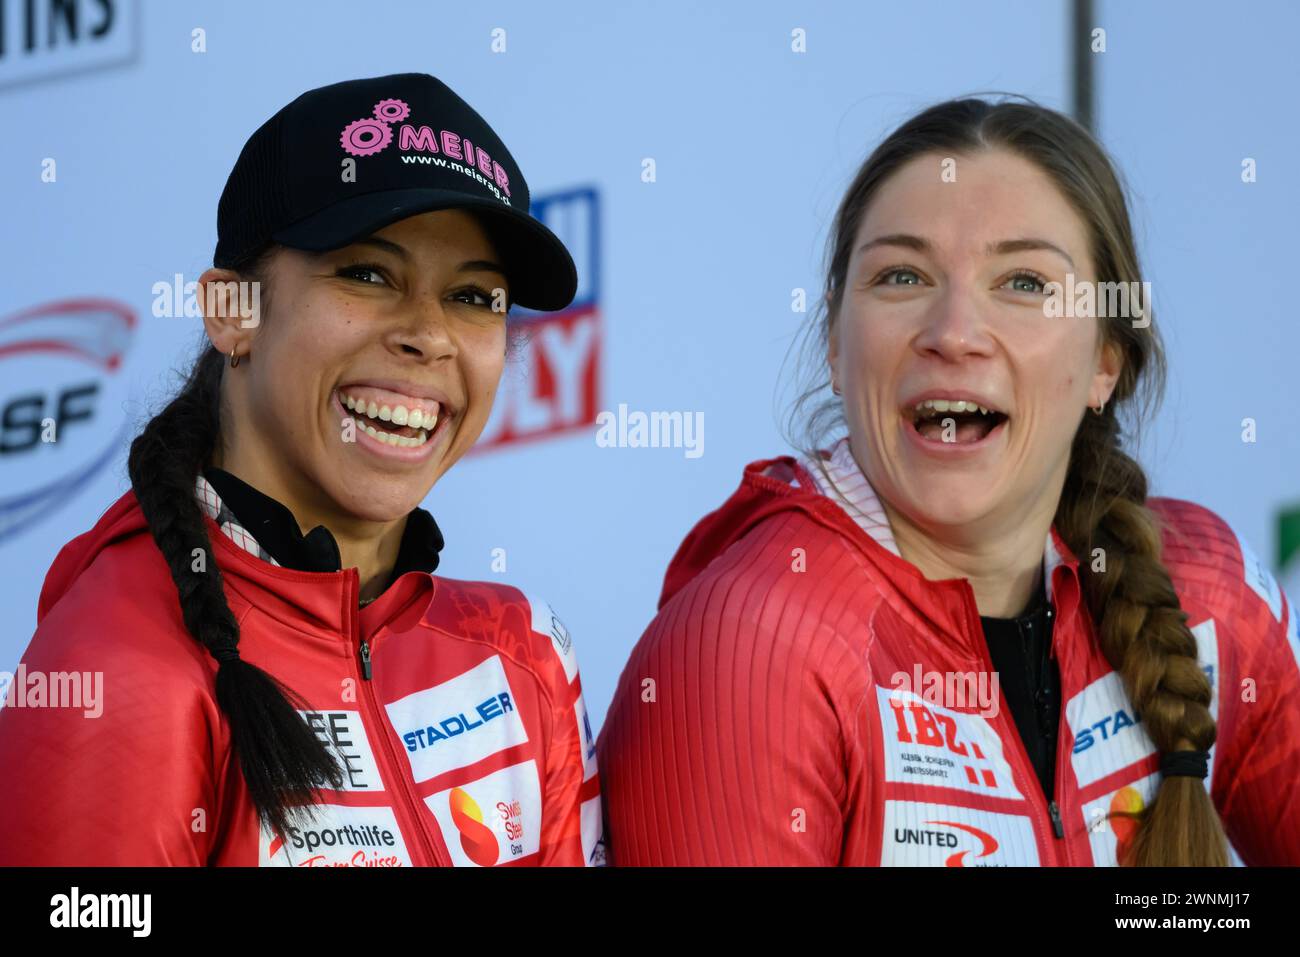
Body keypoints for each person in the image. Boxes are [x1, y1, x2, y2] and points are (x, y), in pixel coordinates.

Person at [597, 96, 1300, 866]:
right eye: (902, 275)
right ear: (834, 342)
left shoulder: (1205, 590)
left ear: (1106, 360)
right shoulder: (750, 650)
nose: (954, 332)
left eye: (1025, 283)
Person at [0, 73, 604, 867]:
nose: (430, 334)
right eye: (367, 274)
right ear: (232, 313)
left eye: (473, 296)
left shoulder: (522, 653)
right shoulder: (119, 671)